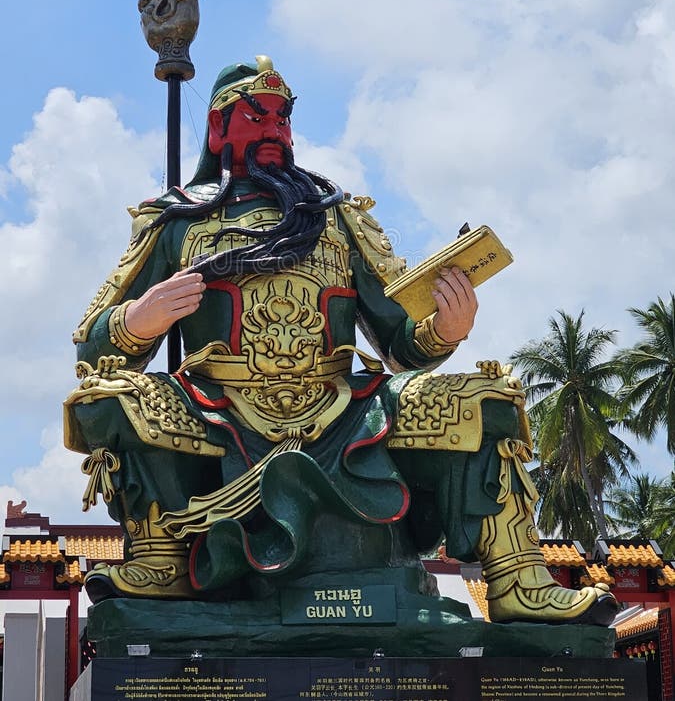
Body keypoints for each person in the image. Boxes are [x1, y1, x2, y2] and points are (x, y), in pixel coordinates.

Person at [65, 56, 617, 625]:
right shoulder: (175, 222)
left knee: (483, 399)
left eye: (283, 119)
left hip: (344, 408)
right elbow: (92, 349)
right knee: (108, 398)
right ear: (218, 128)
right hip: (218, 409)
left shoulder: (338, 219)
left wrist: (445, 328)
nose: (275, 132)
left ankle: (517, 577)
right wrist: (138, 321)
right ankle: (164, 561)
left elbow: (400, 342)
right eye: (258, 116)